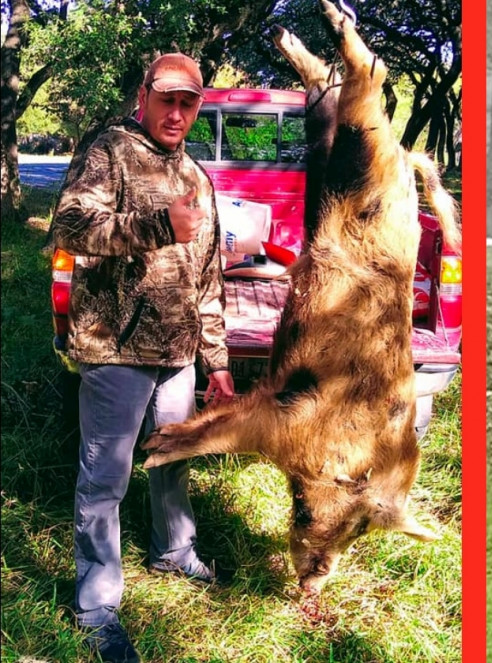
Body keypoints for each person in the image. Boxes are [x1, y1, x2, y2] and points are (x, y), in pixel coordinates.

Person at [51, 52, 235, 663]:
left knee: (173, 459)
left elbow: (207, 279)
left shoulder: (199, 178)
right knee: (106, 477)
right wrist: (158, 223)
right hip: (115, 348)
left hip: (178, 354)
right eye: (168, 99)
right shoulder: (110, 148)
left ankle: (173, 549)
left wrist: (220, 361)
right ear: (144, 96)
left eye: (190, 102)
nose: (178, 113)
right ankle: (96, 604)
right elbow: (72, 225)